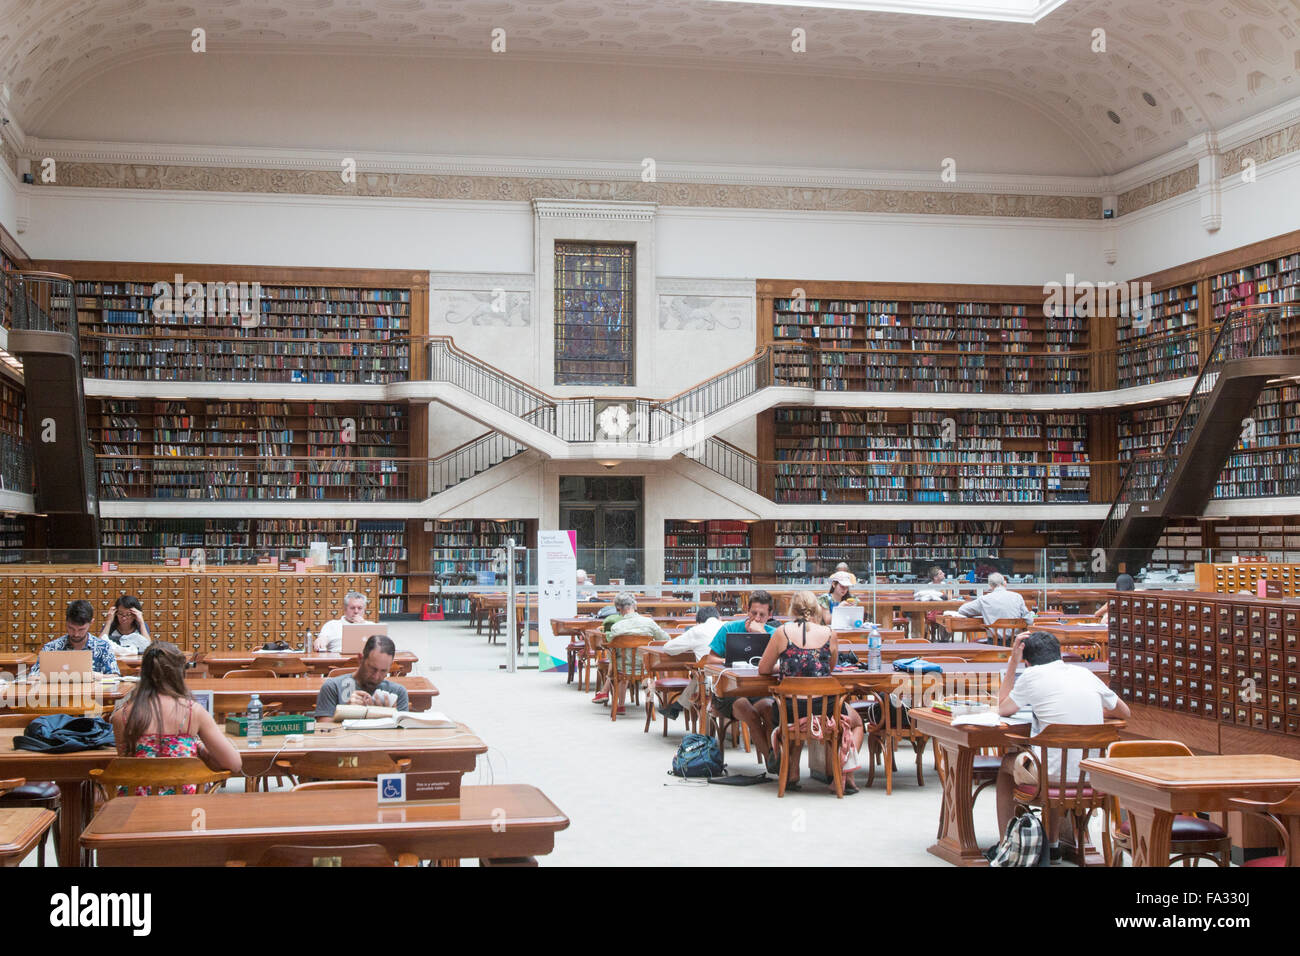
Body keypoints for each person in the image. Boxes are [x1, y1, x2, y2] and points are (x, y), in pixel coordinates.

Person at [994, 631, 1129, 855]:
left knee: (1009, 765)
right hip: (1092, 776)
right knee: (1054, 755)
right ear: (1060, 655)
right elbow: (1125, 713)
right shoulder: (1084, 674)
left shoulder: (1031, 675)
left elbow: (1002, 708)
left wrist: (1012, 663)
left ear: (1027, 662)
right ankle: (1054, 844)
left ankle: (1007, 845)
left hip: (1052, 777)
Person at [759, 591, 865, 792]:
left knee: (793, 711)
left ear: (793, 609)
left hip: (790, 711)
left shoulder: (782, 632)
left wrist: (782, 667)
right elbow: (829, 669)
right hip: (824, 711)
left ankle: (791, 772)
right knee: (857, 722)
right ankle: (844, 776)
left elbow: (763, 669)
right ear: (816, 609)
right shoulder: (830, 634)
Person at [111, 641, 241, 793]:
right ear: (180, 673)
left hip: (135, 806)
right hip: (185, 808)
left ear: (143, 673)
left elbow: (128, 763)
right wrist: (198, 746)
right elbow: (234, 764)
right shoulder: (193, 712)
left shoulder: (121, 716)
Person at [705, 590, 779, 767]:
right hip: (730, 693)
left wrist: (762, 635)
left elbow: (782, 661)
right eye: (754, 613)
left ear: (770, 615)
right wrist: (730, 661)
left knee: (769, 708)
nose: (757, 618)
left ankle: (774, 757)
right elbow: (710, 659)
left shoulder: (774, 634)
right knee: (746, 708)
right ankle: (773, 761)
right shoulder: (729, 629)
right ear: (747, 610)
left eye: (762, 615)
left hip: (760, 692)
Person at [593, 593, 670, 710]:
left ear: (619, 609)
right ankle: (650, 705)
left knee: (617, 663)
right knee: (648, 676)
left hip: (624, 668)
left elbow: (613, 649)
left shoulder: (617, 627)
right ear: (634, 606)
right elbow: (665, 639)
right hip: (646, 666)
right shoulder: (649, 623)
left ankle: (620, 705)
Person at [314, 634, 409, 719]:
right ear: (360, 659)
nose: (376, 677)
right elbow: (324, 731)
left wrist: (391, 716)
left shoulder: (398, 693)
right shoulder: (332, 687)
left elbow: (403, 734)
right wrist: (345, 713)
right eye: (372, 669)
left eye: (384, 671)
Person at [31, 600, 119, 676]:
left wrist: (97, 676)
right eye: (71, 628)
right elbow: (32, 677)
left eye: (81, 629)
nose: (76, 634)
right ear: (66, 621)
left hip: (93, 694)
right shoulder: (51, 648)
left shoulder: (103, 647)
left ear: (91, 622)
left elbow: (115, 676)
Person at [952, 572, 1032, 626]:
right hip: (1015, 642)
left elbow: (962, 610)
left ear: (990, 586)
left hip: (994, 642)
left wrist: (983, 611)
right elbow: (1029, 619)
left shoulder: (984, 599)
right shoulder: (1017, 597)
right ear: (1004, 583)